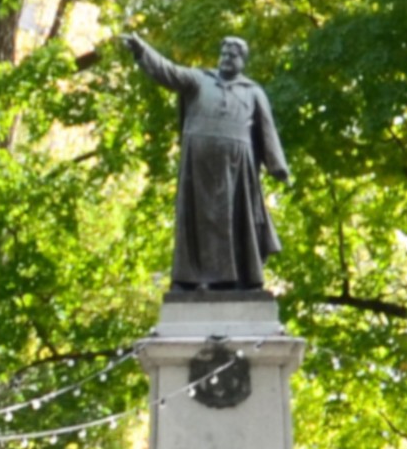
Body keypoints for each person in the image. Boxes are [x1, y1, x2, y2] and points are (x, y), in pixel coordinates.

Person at [123, 31, 287, 295]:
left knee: (236, 221)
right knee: (198, 223)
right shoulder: (199, 80)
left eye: (232, 56)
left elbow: (267, 129)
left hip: (236, 170)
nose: (226, 59)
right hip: (198, 169)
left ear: (242, 60)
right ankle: (195, 279)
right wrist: (142, 51)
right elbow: (168, 71)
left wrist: (277, 165)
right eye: (223, 54)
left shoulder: (253, 91)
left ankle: (239, 279)